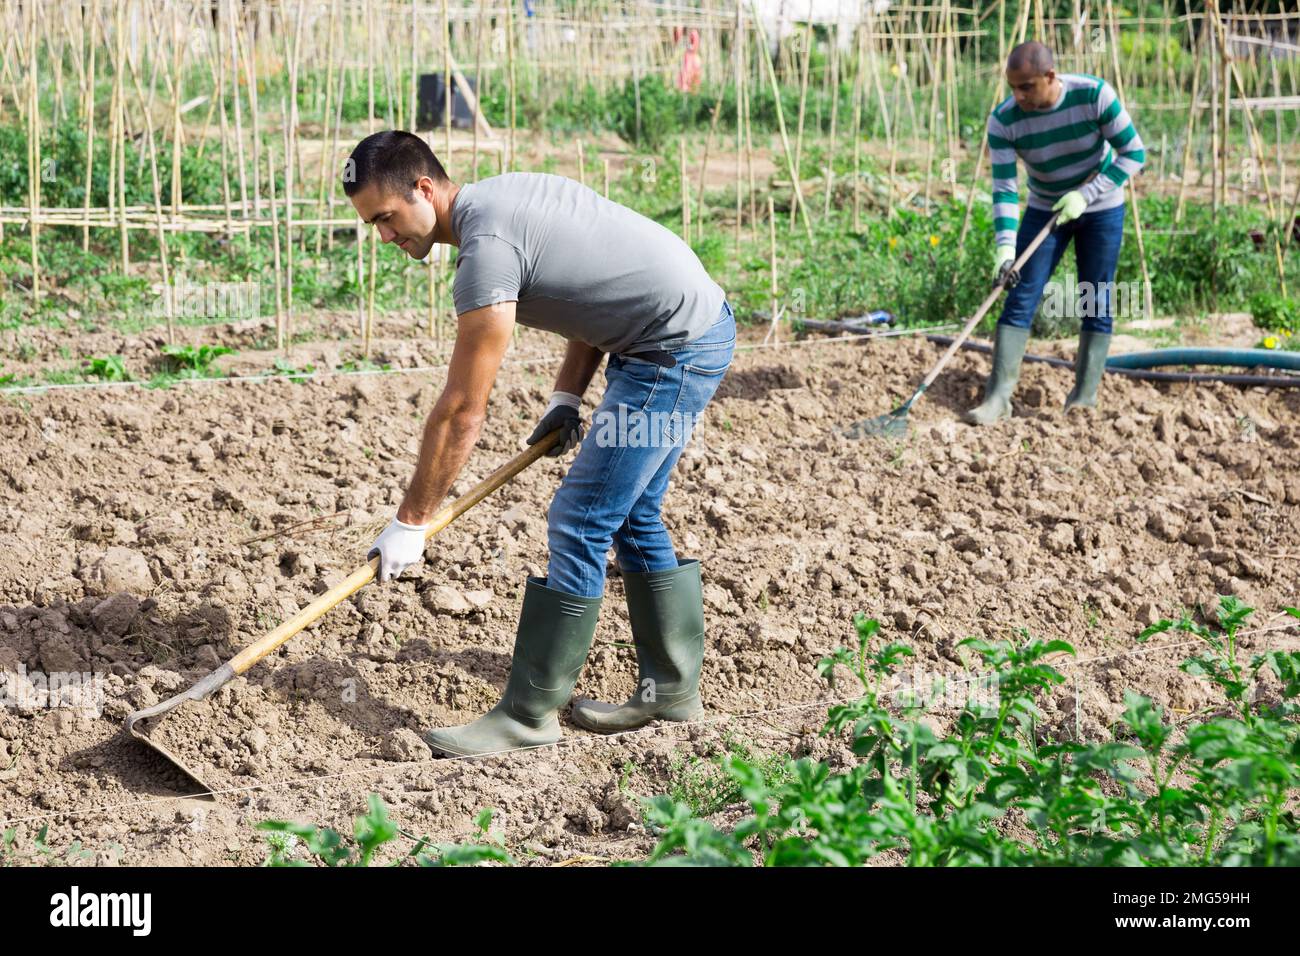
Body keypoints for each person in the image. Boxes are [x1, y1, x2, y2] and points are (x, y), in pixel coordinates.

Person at [342, 130, 735, 757]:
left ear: (424, 188)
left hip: (672, 353)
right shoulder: (501, 203)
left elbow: (463, 410)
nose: (385, 237)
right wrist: (565, 399)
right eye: (372, 225)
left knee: (581, 518)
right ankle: (672, 690)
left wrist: (412, 521)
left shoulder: (487, 250)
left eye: (387, 218)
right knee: (630, 514)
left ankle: (529, 715)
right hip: (678, 337)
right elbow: (596, 293)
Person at [967, 41, 1146, 424]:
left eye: (1027, 86)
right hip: (1044, 206)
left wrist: (1086, 194)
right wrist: (1004, 249)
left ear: (1051, 77)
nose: (1018, 96)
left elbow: (1134, 153)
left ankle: (1082, 399)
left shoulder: (1094, 95)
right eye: (1012, 87)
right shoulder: (1004, 120)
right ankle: (997, 398)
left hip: (1100, 207)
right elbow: (1004, 188)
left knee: (1094, 299)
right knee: (1020, 296)